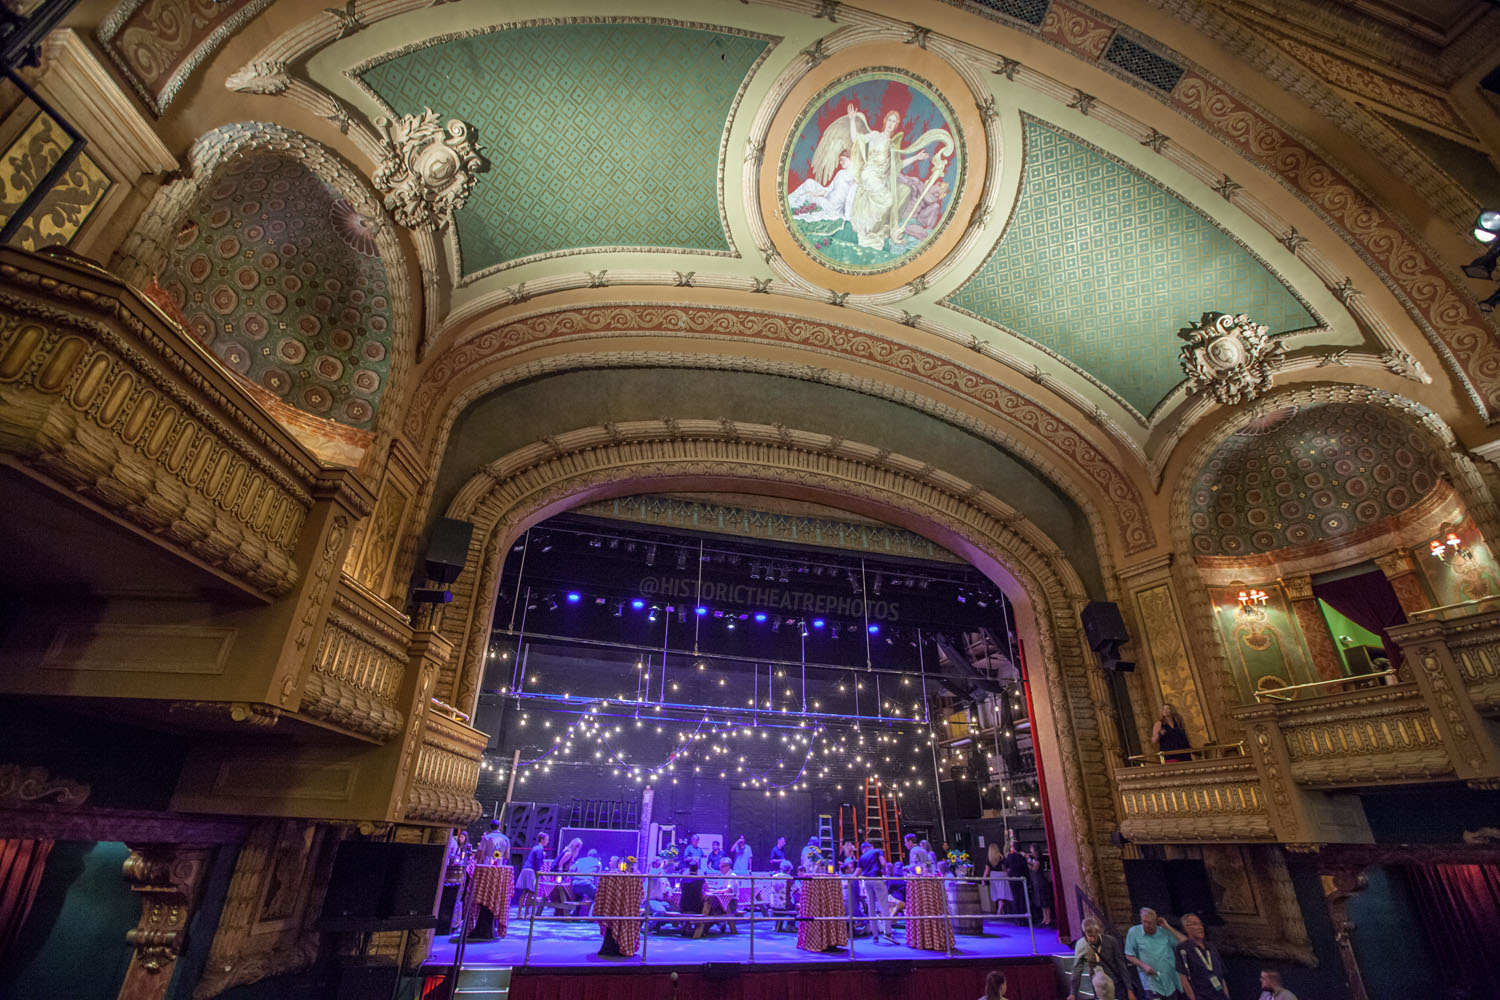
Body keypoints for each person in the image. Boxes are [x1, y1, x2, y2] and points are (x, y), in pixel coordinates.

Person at [1070, 916, 1137, 1000]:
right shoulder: (1081, 945)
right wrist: (1073, 993)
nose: (1093, 939)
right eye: (1090, 936)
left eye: (1094, 936)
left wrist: (1129, 989)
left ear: (1098, 932)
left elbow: (1121, 965)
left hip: (1115, 982)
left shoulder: (1111, 941)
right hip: (1098, 985)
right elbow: (1077, 969)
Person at [1125, 907, 1186, 1000]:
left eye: (1150, 922)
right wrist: (1144, 966)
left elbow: (1186, 943)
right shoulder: (1134, 932)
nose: (1147, 925)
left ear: (1156, 922)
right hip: (1151, 983)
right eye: (1144, 921)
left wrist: (1168, 927)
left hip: (1169, 981)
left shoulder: (1164, 932)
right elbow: (1129, 955)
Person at [1175, 914, 1230, 1000]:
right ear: (1186, 928)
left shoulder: (1210, 947)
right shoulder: (1183, 949)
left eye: (1200, 924)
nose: (1200, 927)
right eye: (1195, 924)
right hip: (1201, 996)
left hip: (1219, 995)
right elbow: (1183, 977)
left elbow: (1221, 974)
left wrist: (1226, 995)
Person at [858, 840, 893, 942]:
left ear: (862, 849)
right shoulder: (877, 851)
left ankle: (875, 935)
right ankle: (888, 932)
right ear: (870, 847)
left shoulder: (862, 857)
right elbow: (883, 863)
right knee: (884, 905)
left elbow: (857, 872)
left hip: (867, 881)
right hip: (877, 878)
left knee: (871, 906)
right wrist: (885, 871)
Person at [514, 831, 549, 914]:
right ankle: (526, 913)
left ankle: (519, 913)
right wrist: (540, 873)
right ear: (542, 840)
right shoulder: (540, 849)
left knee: (524, 892)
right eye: (547, 840)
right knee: (531, 892)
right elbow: (538, 861)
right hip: (531, 871)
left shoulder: (535, 847)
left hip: (525, 869)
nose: (548, 842)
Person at [983, 843, 1012, 914]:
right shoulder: (1001, 857)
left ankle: (1000, 910)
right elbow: (1004, 868)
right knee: (1002, 894)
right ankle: (1000, 909)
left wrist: (983, 879)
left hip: (993, 876)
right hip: (1002, 875)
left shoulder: (989, 859)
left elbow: (986, 871)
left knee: (998, 894)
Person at [1028, 846, 1054, 925]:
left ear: (1036, 851)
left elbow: (1035, 868)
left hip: (1041, 881)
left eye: (1032, 851)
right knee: (1041, 901)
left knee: (1045, 901)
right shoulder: (1035, 859)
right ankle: (1044, 918)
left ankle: (1048, 918)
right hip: (1036, 881)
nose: (1031, 852)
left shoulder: (1039, 859)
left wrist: (1028, 863)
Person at [1004, 841, 1030, 914]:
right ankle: (1023, 915)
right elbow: (1026, 868)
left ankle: (1017, 915)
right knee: (1022, 898)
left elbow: (1006, 866)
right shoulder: (1022, 857)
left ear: (1014, 848)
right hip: (1022, 879)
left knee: (1015, 898)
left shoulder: (1010, 856)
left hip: (1013, 879)